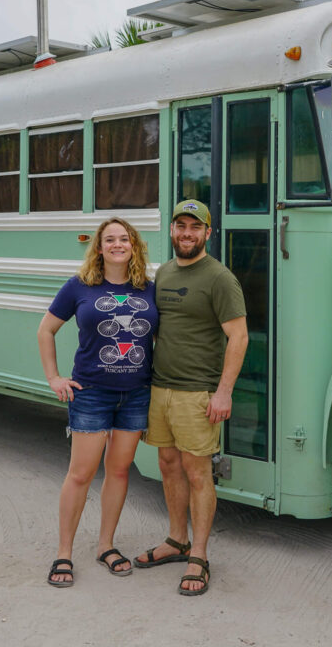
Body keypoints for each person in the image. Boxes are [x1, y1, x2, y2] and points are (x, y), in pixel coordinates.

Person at [135, 199, 248, 596]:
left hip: (197, 392)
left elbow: (239, 335)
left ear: (207, 233)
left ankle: (198, 555)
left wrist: (223, 392)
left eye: (194, 227)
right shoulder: (163, 273)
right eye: (180, 225)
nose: (186, 233)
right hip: (160, 387)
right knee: (167, 464)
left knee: (198, 472)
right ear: (171, 230)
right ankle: (176, 539)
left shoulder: (219, 278)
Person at [37, 217, 157, 588]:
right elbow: (46, 330)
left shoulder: (148, 289)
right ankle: (64, 552)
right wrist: (55, 378)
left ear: (133, 245)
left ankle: (106, 546)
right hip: (91, 393)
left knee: (119, 472)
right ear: (100, 247)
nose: (118, 244)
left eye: (124, 238)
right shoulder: (80, 286)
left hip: (136, 393)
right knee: (81, 474)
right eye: (110, 239)